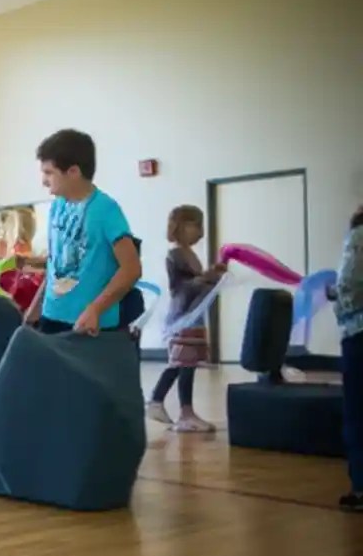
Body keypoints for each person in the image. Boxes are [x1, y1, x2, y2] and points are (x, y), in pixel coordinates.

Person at [24, 129, 141, 334]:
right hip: (52, 315)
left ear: (73, 172)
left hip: (86, 322)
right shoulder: (57, 207)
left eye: (49, 172)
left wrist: (96, 309)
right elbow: (54, 264)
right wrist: (36, 307)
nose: (44, 180)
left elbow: (131, 269)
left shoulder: (106, 210)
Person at [146, 207, 224, 432]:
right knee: (183, 364)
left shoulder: (190, 255)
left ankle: (159, 401)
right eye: (196, 225)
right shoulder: (176, 255)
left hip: (193, 316)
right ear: (182, 226)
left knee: (183, 364)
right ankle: (184, 412)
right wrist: (205, 278)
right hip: (183, 317)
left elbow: (197, 284)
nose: (201, 231)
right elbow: (181, 287)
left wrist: (211, 276)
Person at [334, 205, 363, 512]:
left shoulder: (359, 236)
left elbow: (348, 286)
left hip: (360, 332)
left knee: (358, 410)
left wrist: (334, 297)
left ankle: (361, 487)